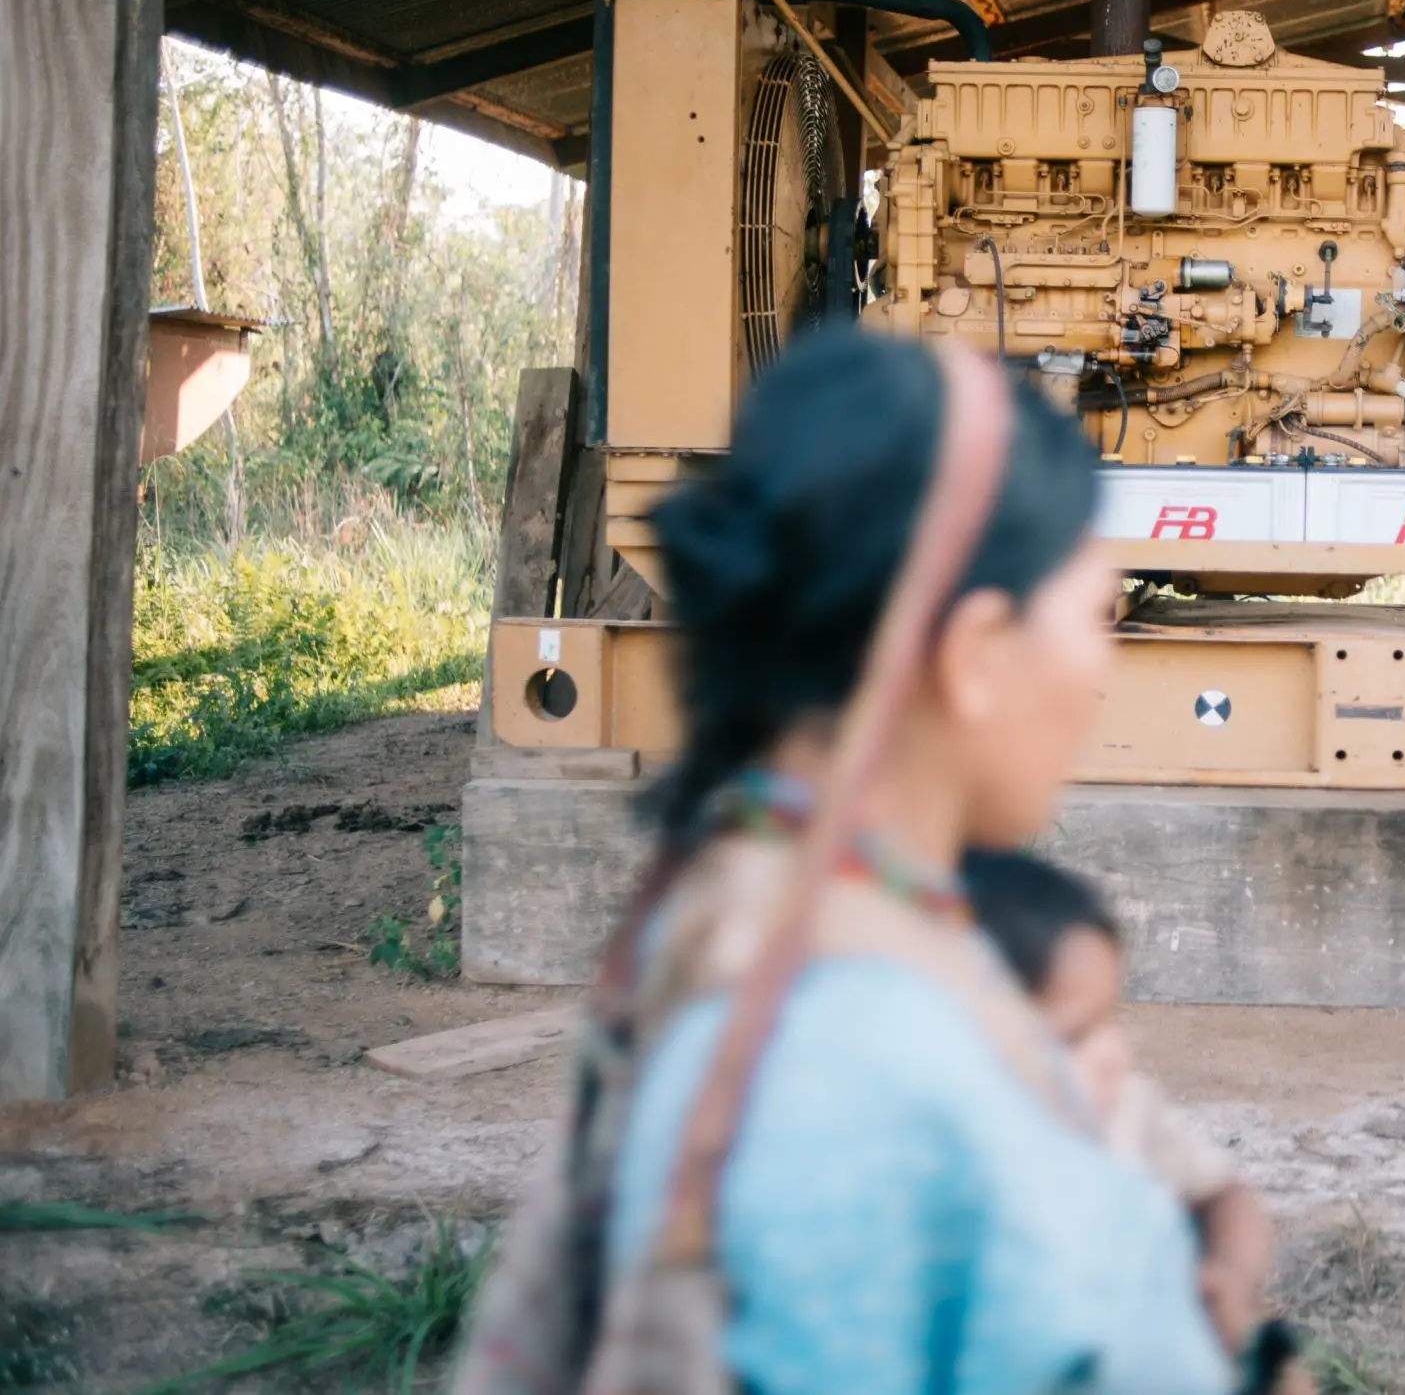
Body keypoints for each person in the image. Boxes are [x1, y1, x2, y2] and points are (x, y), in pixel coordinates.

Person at [455, 329, 1231, 1395]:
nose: (1101, 659)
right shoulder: (849, 1078)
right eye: (1093, 611)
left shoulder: (749, 910)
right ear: (972, 654)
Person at [961, 849, 1280, 1355]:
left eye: (1108, 1020)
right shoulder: (953, 1176)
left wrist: (1229, 1277)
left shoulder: (1125, 1108)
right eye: (1073, 1037)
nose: (1115, 1053)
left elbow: (1225, 1196)